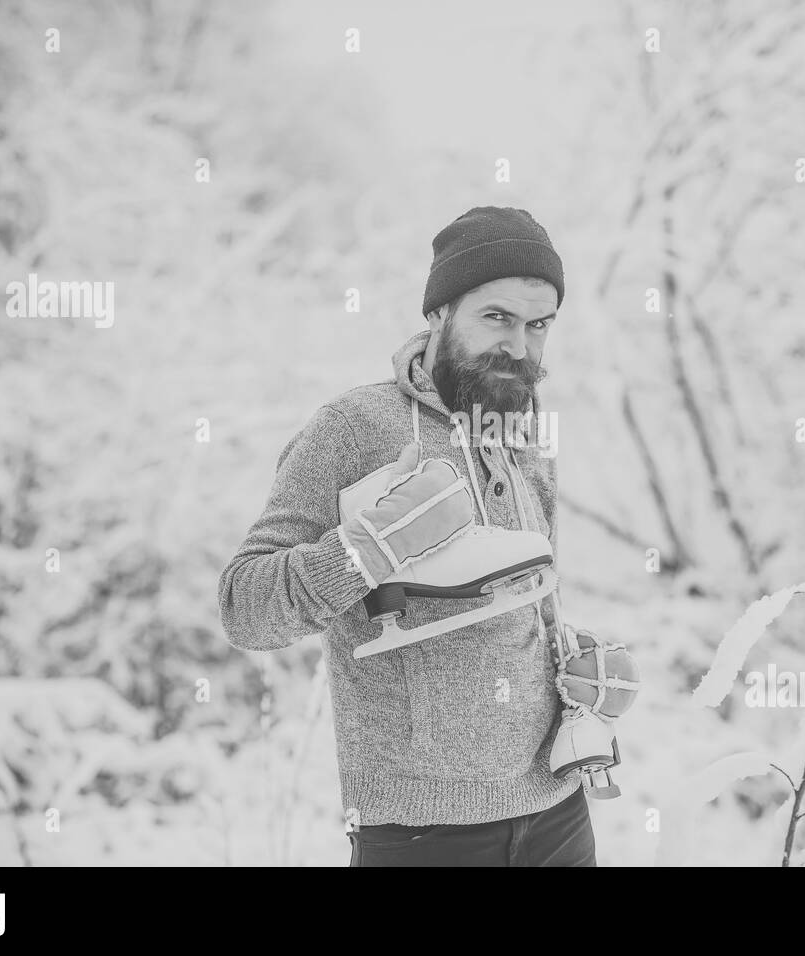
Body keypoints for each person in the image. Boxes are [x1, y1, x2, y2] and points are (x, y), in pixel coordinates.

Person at [218, 205, 599, 866]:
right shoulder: (351, 429)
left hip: (558, 814)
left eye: (539, 326)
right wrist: (367, 548)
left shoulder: (525, 436)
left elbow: (530, 606)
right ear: (438, 315)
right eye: (497, 318)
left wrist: (577, 670)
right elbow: (244, 609)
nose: (521, 347)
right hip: (421, 834)